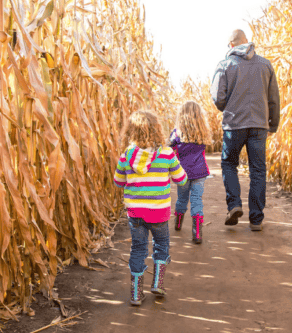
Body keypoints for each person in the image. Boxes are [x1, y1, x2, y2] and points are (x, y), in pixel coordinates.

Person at [113, 110, 188, 306]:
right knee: (161, 245)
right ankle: (157, 283)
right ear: (157, 130)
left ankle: (136, 294)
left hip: (135, 213)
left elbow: (118, 182)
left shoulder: (126, 156)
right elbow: (181, 179)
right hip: (159, 212)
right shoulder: (166, 154)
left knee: (138, 249)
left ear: (131, 131)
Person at [210, 29, 280, 231]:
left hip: (234, 125)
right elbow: (274, 98)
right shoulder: (265, 64)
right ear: (247, 42)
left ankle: (234, 205)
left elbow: (217, 97)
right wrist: (272, 124)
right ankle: (256, 219)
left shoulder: (225, 65)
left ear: (231, 45)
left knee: (229, 163)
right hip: (259, 125)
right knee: (258, 170)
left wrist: (228, 107)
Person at [169, 101, 211, 244]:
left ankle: (178, 223)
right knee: (196, 200)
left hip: (183, 173)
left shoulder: (176, 133)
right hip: (200, 172)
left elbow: (169, 147)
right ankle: (197, 234)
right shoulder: (202, 132)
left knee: (182, 199)